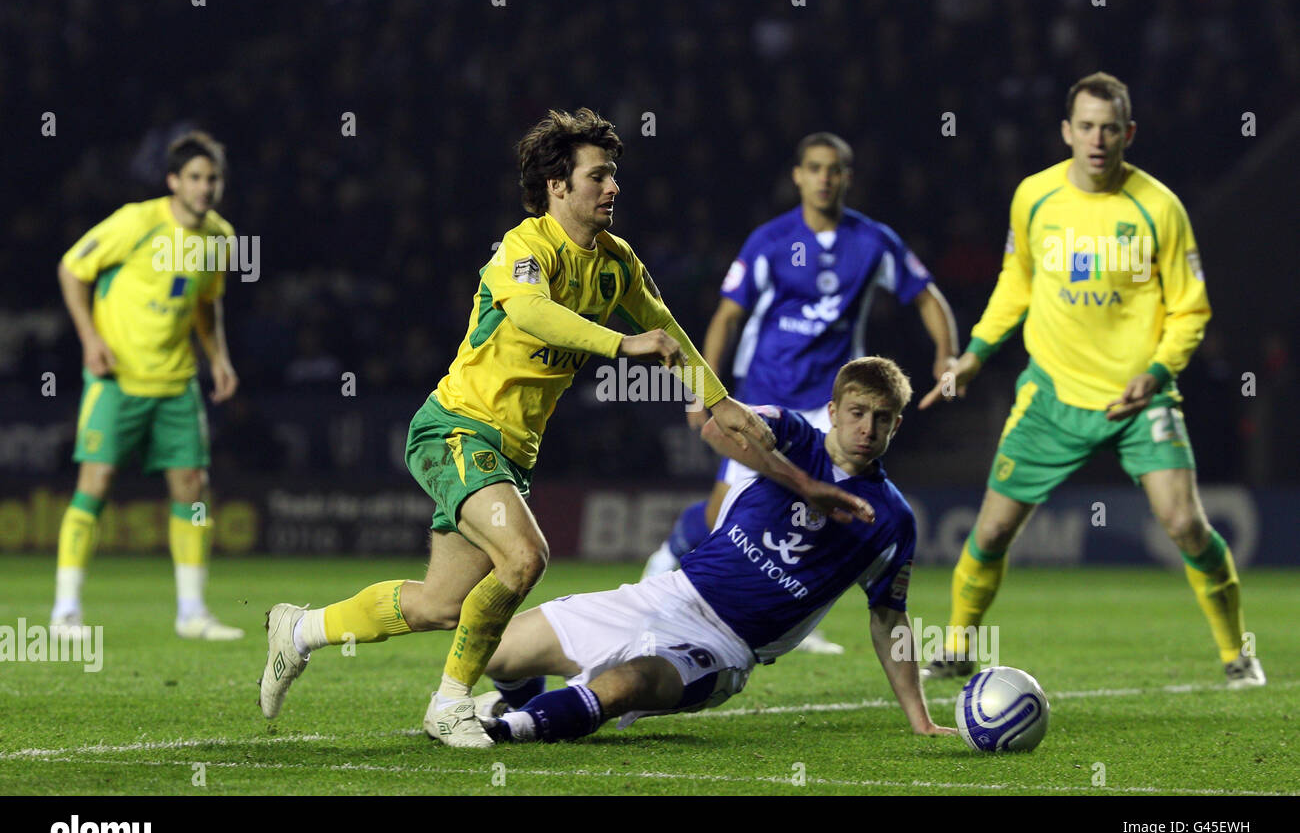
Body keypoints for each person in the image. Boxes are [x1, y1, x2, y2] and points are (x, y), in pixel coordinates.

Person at [258, 108, 773, 746]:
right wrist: (622, 345)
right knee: (526, 557)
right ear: (559, 186)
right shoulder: (523, 247)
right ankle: (450, 706)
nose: (613, 187)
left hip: (511, 455)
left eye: (613, 176)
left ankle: (300, 630)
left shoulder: (616, 262)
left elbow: (667, 330)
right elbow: (532, 315)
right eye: (599, 176)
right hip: (456, 429)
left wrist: (719, 402)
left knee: (440, 604)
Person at [918, 72, 1264, 689]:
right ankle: (956, 646)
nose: (1097, 139)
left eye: (1109, 128)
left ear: (1128, 133)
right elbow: (1016, 283)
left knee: (1184, 523)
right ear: (1066, 131)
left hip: (1138, 396)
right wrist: (972, 356)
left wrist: (1156, 374)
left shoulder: (1159, 207)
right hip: (1051, 395)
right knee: (992, 529)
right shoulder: (1034, 197)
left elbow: (1191, 309)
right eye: (1085, 126)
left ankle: (1238, 652)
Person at [474, 357, 956, 744]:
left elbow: (890, 618)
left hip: (722, 645)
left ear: (896, 425)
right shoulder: (789, 433)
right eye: (857, 412)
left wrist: (920, 718)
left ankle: (504, 731)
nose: (868, 427)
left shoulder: (893, 520)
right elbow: (716, 428)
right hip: (668, 594)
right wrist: (804, 485)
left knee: (628, 684)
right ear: (833, 411)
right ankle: (524, 708)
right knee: (494, 651)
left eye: (883, 418)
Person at [641, 132, 958, 654]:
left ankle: (784, 612)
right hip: (762, 397)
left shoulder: (873, 241)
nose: (824, 178)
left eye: (834, 169)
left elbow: (927, 297)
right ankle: (674, 550)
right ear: (798, 176)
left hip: (830, 404)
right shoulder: (769, 241)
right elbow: (727, 317)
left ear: (846, 177)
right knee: (725, 515)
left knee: (818, 512)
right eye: (814, 168)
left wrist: (946, 355)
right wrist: (700, 390)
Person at [51, 131, 242, 642]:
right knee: (97, 479)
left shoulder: (221, 237)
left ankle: (192, 612)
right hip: (117, 379)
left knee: (193, 490)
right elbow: (71, 268)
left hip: (177, 382)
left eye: (213, 178)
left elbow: (206, 303)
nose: (205, 188)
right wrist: (89, 339)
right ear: (173, 181)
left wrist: (218, 358)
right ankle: (65, 609)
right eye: (196, 178)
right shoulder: (136, 221)